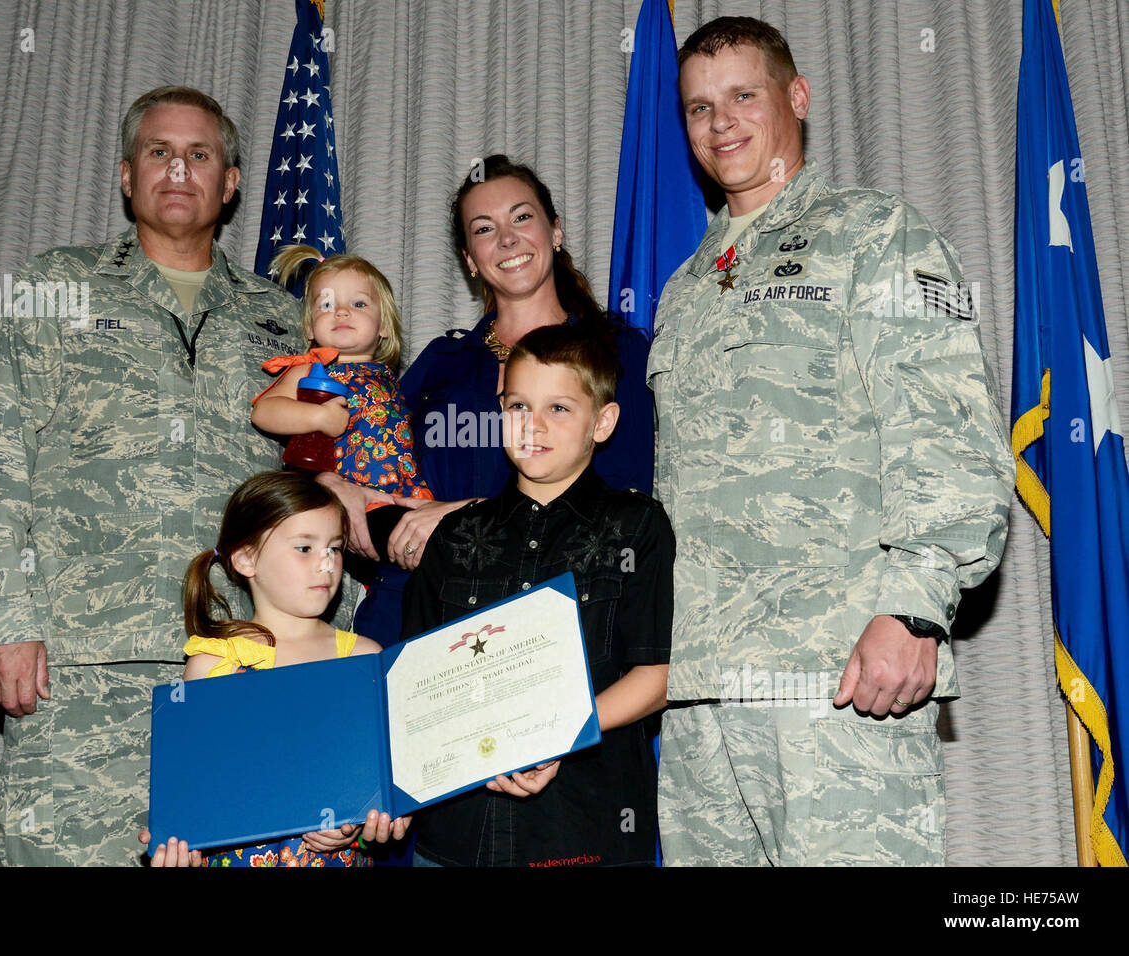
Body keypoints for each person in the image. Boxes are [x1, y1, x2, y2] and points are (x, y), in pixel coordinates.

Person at [649, 17, 1015, 865]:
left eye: (744, 95)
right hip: (702, 689)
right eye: (700, 108)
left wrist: (916, 606)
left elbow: (949, 431)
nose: (722, 123)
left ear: (797, 97)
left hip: (837, 675)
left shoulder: (878, 234)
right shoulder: (685, 287)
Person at [0, 86, 312, 865]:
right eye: (159, 153)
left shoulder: (281, 319)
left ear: (231, 182)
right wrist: (0, 620)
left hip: (236, 667)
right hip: (80, 670)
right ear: (126, 175)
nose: (179, 169)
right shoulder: (55, 289)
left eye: (200, 154)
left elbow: (317, 494)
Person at [348, 154, 655, 649]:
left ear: (555, 231)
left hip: (542, 624)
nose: (507, 239)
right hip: (408, 618)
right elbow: (377, 488)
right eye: (485, 228)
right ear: (470, 259)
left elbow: (623, 511)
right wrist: (333, 487)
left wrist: (459, 516)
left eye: (522, 217)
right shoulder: (441, 363)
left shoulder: (618, 353)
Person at [401, 324, 674, 866]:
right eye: (519, 405)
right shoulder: (455, 537)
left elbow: (658, 674)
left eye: (560, 409)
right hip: (456, 834)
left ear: (603, 422)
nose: (534, 425)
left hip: (587, 828)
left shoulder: (636, 525)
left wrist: (555, 734)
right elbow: (413, 682)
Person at [140, 470, 410, 866]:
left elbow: (383, 788)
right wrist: (182, 846)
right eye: (304, 548)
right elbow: (197, 788)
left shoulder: (363, 659)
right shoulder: (215, 663)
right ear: (247, 558)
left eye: (334, 549)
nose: (325, 564)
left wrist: (364, 826)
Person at [252, 245, 431, 566]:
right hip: (348, 501)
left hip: (404, 495)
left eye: (359, 303)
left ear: (384, 326)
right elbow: (264, 411)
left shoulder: (389, 378)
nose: (342, 311)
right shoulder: (312, 369)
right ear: (309, 327)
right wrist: (317, 415)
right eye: (327, 304)